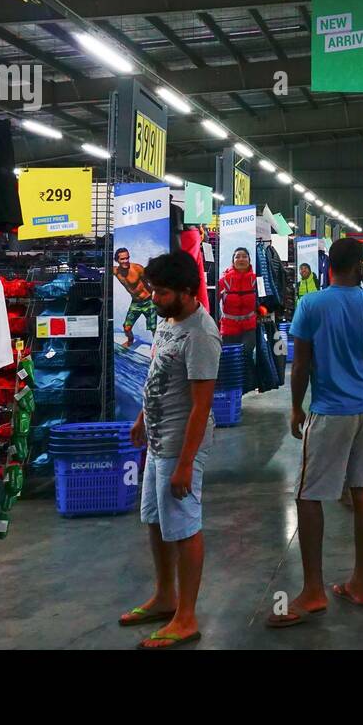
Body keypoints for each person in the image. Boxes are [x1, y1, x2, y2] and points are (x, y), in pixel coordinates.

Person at [268, 238, 363, 628]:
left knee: (308, 495)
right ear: (361, 266)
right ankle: (359, 583)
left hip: (330, 412)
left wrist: (296, 406)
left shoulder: (311, 304)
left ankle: (314, 591)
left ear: (328, 266)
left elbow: (300, 365)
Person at [122, 251, 221, 649]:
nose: (153, 298)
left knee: (184, 526)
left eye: (161, 292)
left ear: (185, 291)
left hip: (182, 445)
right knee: (154, 519)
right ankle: (165, 596)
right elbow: (157, 374)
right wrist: (143, 419)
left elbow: (202, 404)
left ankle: (187, 616)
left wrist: (184, 464)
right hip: (160, 438)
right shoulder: (168, 320)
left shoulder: (201, 334)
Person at [216, 247, 259, 366]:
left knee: (246, 356)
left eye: (244, 256)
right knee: (229, 359)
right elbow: (213, 303)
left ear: (249, 260)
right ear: (233, 260)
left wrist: (262, 314)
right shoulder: (224, 280)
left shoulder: (256, 279)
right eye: (237, 256)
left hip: (249, 327)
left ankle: (248, 384)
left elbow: (264, 302)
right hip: (228, 328)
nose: (241, 259)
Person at [114, 247, 157, 348]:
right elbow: (100, 271)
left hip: (149, 301)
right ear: (117, 260)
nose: (126, 261)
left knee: (153, 328)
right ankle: (130, 340)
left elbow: (151, 281)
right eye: (122, 259)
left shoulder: (137, 268)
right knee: (126, 327)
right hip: (136, 303)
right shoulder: (116, 271)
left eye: (127, 258)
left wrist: (157, 295)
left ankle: (156, 346)